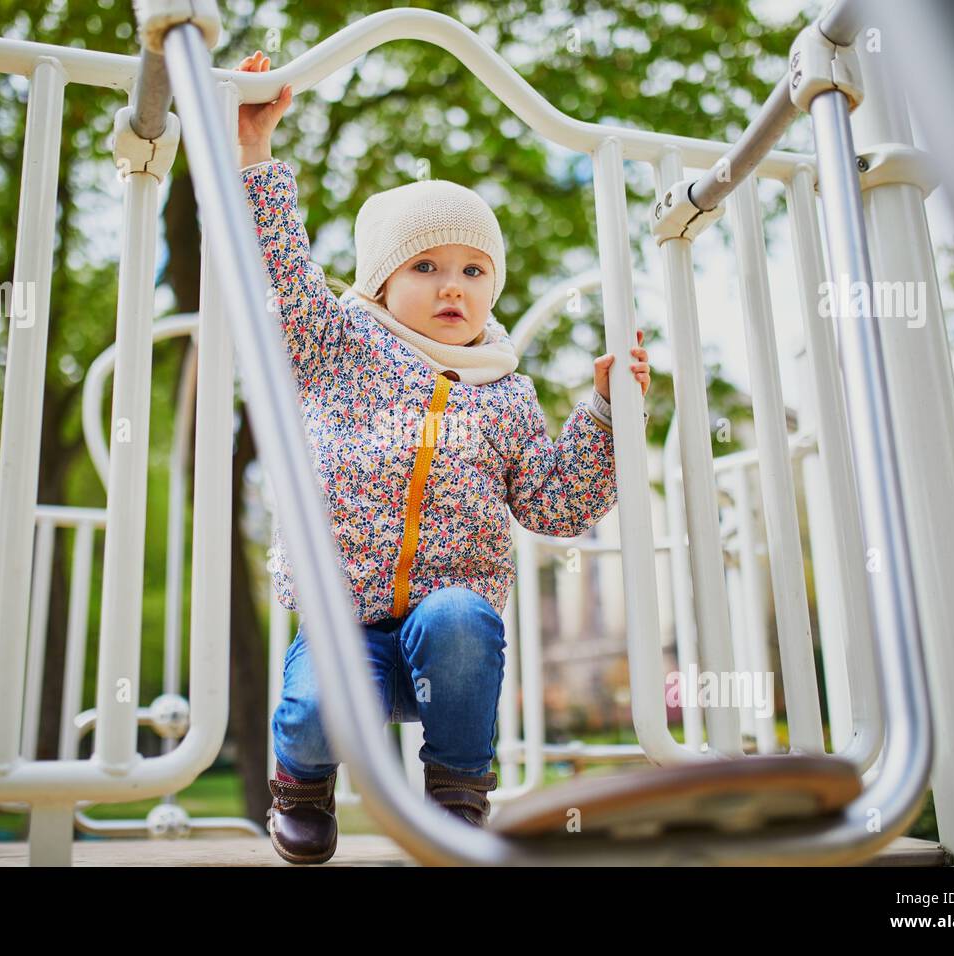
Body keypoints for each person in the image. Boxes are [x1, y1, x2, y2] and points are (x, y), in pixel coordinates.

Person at [234, 50, 651, 864]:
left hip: (446, 642)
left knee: (462, 616)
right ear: (382, 284)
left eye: (471, 270)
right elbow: (279, 276)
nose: (451, 286)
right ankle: (301, 782)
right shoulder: (335, 344)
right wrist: (255, 156)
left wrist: (606, 411)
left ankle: (458, 791)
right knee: (316, 698)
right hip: (341, 619)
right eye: (424, 267)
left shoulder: (503, 393)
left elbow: (556, 503)